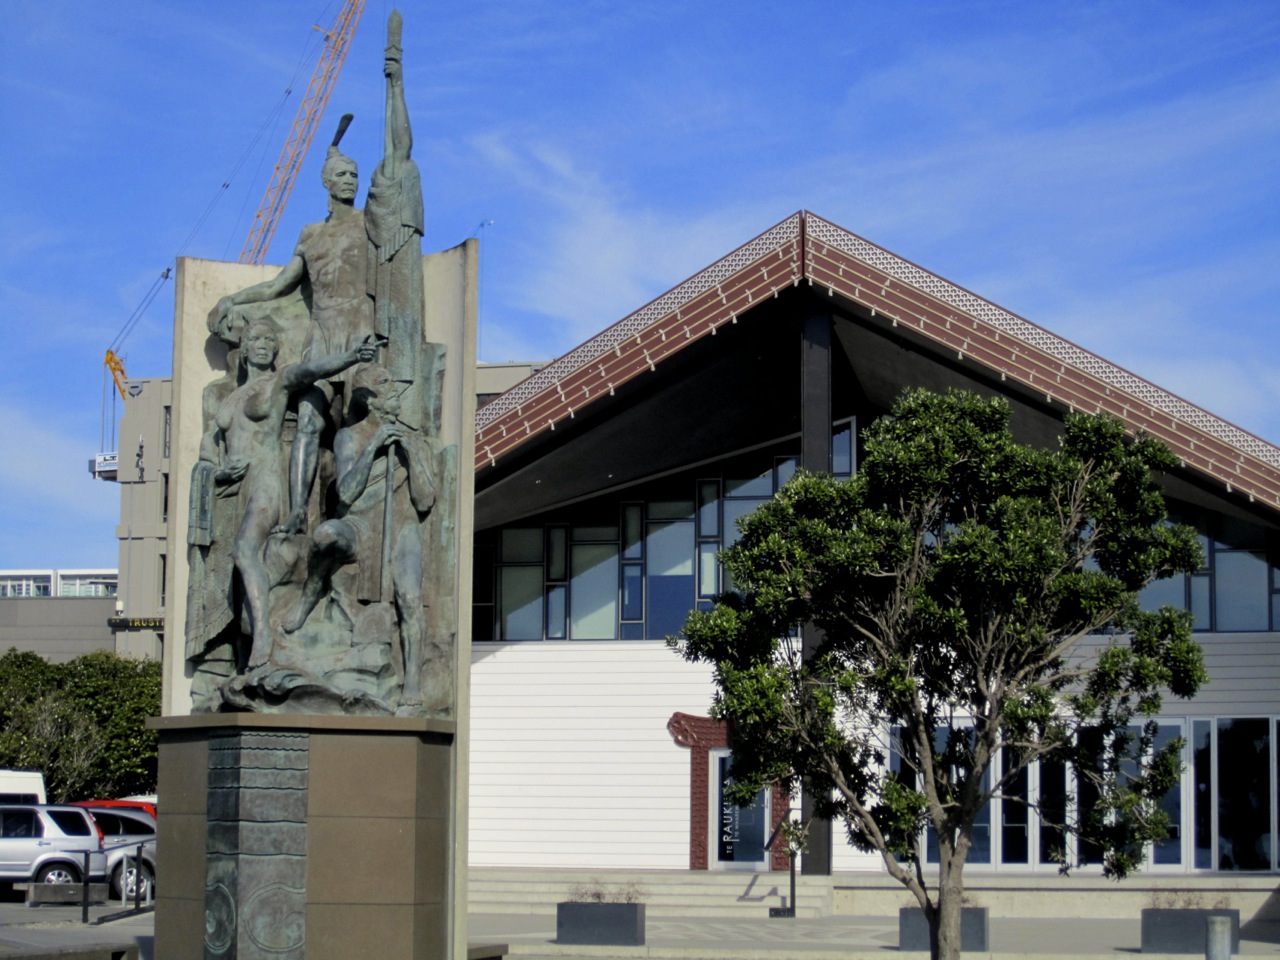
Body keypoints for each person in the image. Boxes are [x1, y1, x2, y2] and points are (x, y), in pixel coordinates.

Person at [207, 131, 376, 537]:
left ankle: (354, 517)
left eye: (355, 174)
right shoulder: (309, 234)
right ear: (327, 183)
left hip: (359, 329)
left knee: (356, 425)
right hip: (320, 335)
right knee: (308, 421)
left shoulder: (369, 224)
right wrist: (234, 298)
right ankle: (298, 512)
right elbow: (279, 286)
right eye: (343, 174)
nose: (351, 180)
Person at [207, 318, 377, 670]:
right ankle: (240, 646)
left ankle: (265, 636)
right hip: (231, 489)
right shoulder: (229, 396)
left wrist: (349, 356)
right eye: (256, 337)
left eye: (271, 338)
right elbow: (209, 448)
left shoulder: (278, 382)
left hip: (265, 480)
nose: (264, 343)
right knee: (234, 564)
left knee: (244, 549)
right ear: (245, 348)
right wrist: (216, 470)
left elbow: (310, 369)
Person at [282, 362, 435, 706]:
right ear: (369, 398)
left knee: (409, 598)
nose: (394, 389)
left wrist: (409, 453)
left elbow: (426, 502)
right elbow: (347, 493)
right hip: (359, 522)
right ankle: (310, 595)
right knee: (325, 536)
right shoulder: (348, 437)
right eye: (385, 383)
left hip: (401, 525)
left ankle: (412, 683)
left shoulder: (414, 439)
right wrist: (374, 446)